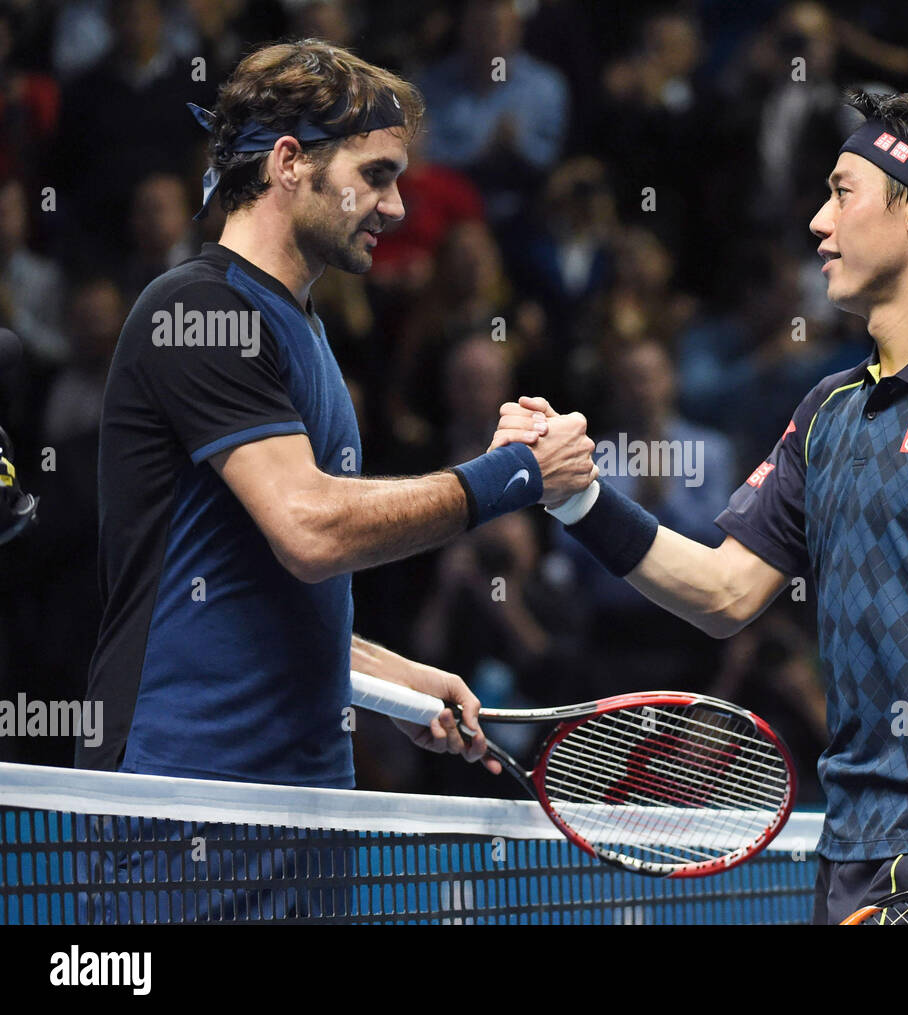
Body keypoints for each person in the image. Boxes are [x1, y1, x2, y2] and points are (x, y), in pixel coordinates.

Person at [496, 88, 908, 925]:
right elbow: (723, 592)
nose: (817, 221)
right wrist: (580, 498)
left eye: (842, 192)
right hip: (847, 858)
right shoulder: (827, 413)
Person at [80, 39, 596, 791]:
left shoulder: (308, 329)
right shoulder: (196, 310)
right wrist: (512, 474)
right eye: (375, 176)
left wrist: (392, 675)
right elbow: (310, 527)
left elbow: (259, 595)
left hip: (306, 799)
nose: (396, 205)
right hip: (184, 793)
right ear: (290, 162)